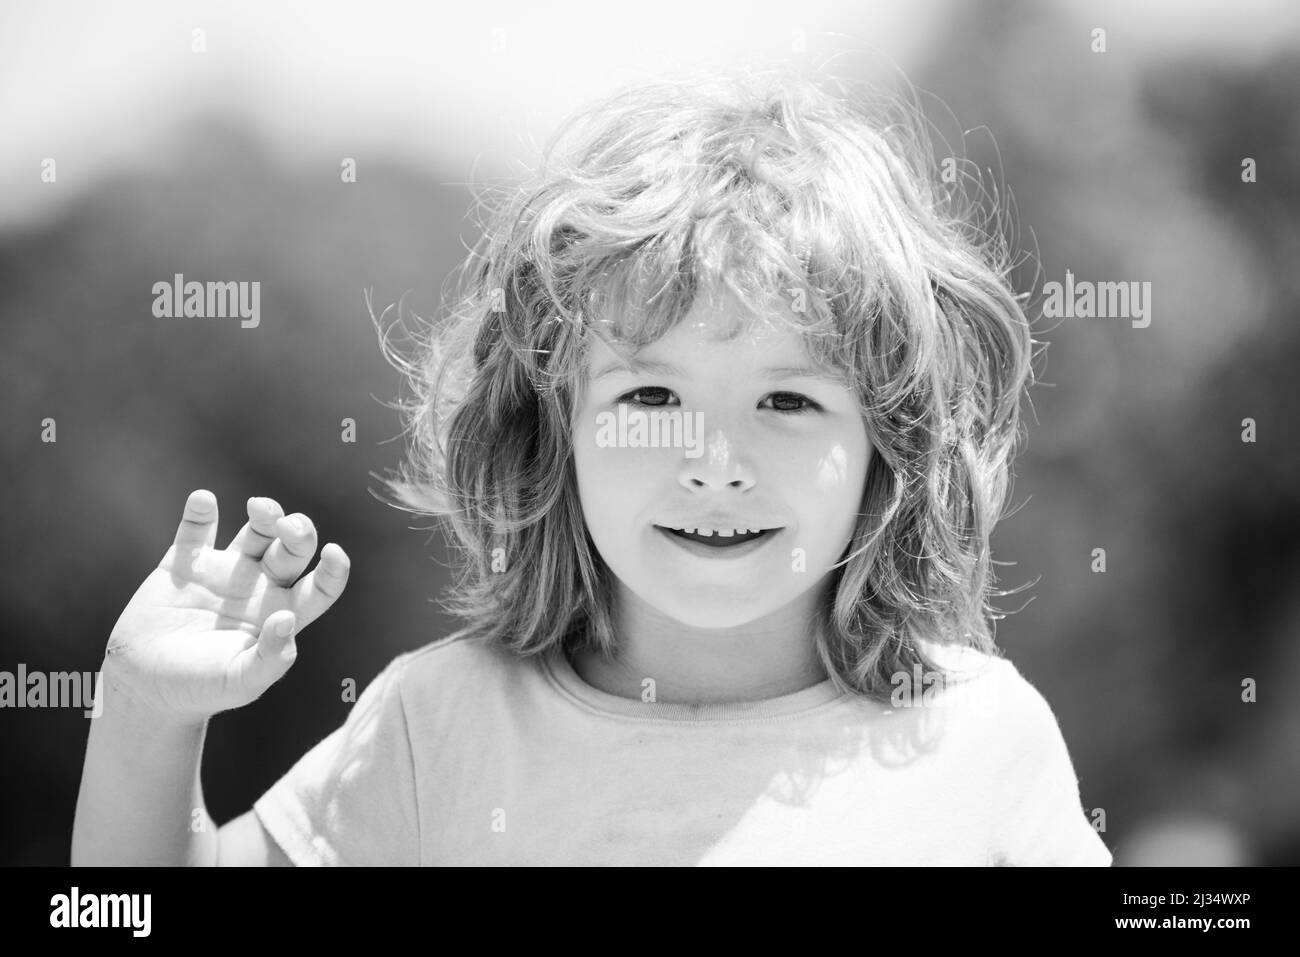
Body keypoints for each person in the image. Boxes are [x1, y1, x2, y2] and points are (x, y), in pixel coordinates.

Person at [71, 66, 1111, 866]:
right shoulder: (440, 725)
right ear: (549, 427)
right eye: (650, 397)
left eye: (788, 400)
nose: (713, 464)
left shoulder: (980, 737)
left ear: (890, 441)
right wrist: (144, 712)